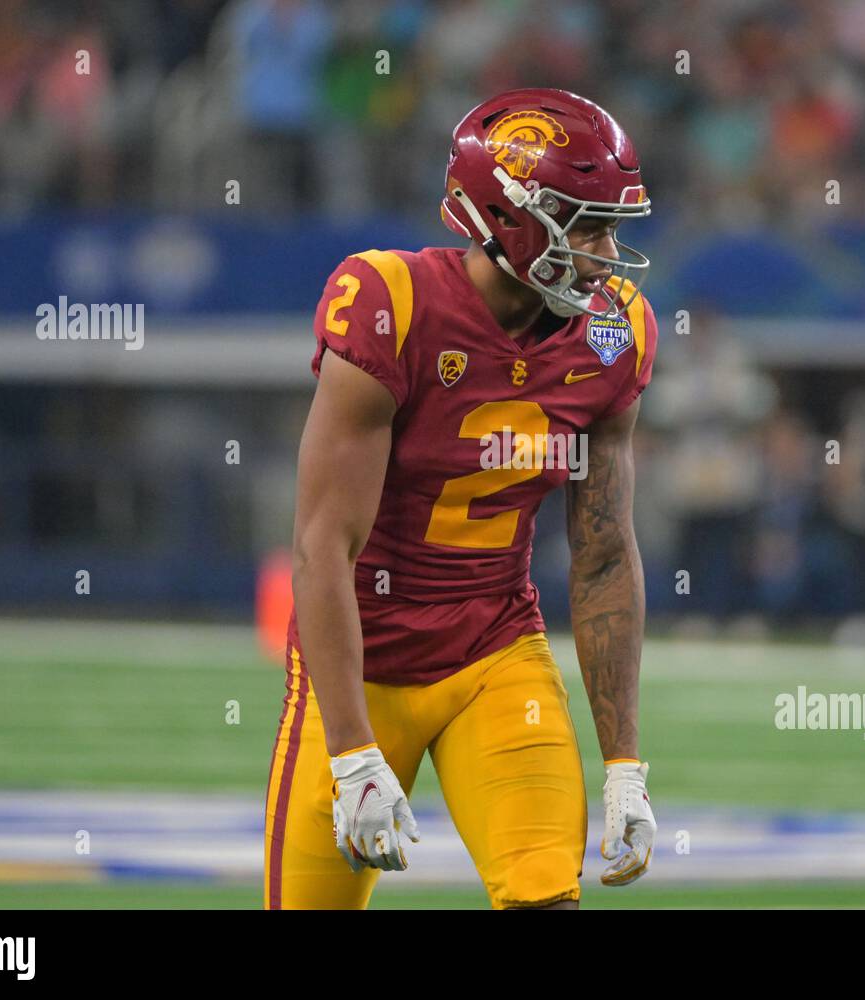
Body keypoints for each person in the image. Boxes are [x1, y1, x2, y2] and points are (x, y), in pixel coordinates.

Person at [265, 89, 659, 909]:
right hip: (362, 666)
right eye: (585, 225)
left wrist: (623, 765)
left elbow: (605, 553)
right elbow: (321, 547)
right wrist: (351, 755)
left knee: (546, 896)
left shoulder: (615, 333)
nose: (606, 253)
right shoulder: (392, 302)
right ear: (510, 217)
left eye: (611, 226)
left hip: (493, 653)